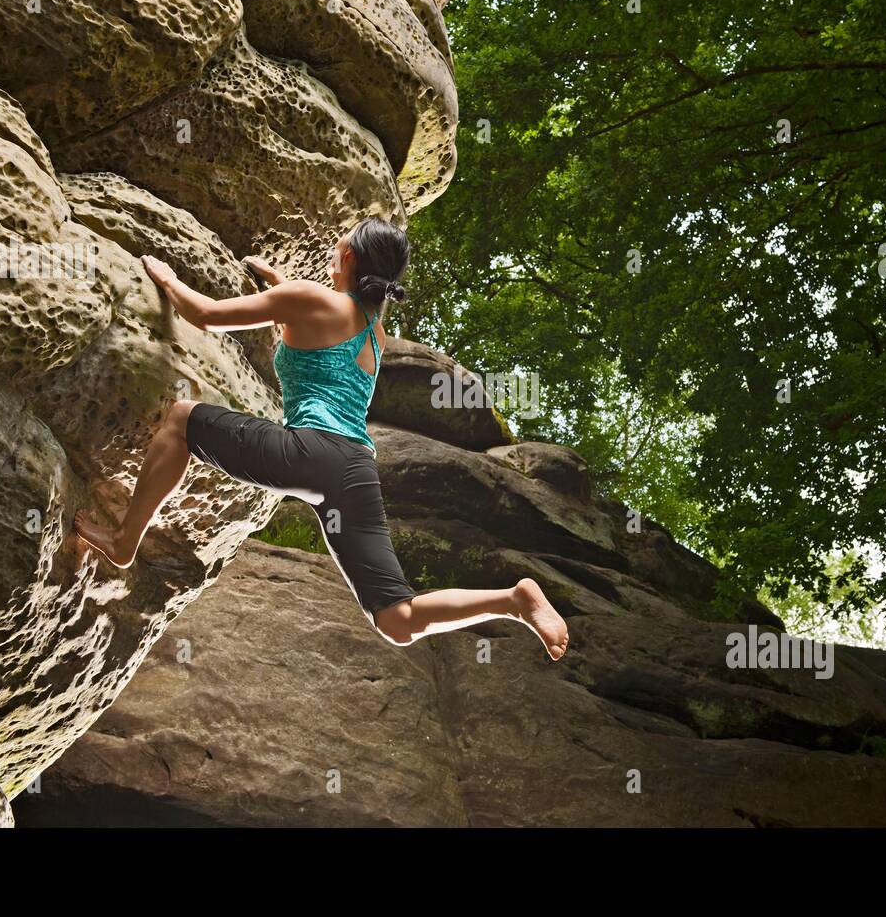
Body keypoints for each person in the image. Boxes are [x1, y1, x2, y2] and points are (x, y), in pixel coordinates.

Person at [74, 217, 569, 660]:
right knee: (397, 620)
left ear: (348, 256)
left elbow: (205, 314)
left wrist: (166, 278)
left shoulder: (312, 301)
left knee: (181, 419)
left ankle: (123, 540)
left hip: (309, 453)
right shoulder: (372, 331)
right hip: (354, 470)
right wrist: (281, 290)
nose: (333, 254)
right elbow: (317, 333)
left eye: (338, 245)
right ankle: (513, 600)